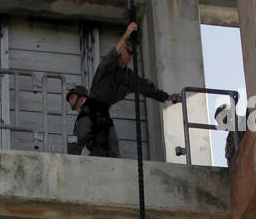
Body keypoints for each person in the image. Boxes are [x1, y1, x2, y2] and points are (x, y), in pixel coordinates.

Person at [66, 21, 180, 158]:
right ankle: (71, 163)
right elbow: (112, 54)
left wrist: (167, 97)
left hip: (103, 115)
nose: (130, 55)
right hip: (93, 110)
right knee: (78, 138)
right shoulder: (106, 68)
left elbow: (146, 87)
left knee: (111, 149)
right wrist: (126, 34)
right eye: (127, 50)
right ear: (122, 51)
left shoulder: (129, 78)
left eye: (132, 53)